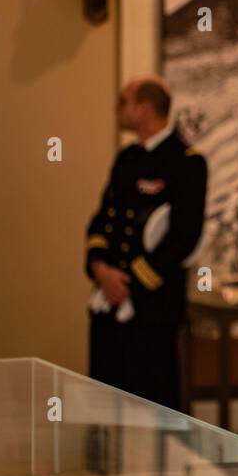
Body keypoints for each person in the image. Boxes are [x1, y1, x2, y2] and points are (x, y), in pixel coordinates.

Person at [86, 77, 207, 407]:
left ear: (144, 108)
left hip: (153, 306)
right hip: (109, 301)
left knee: (152, 408)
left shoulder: (186, 162)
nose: (117, 110)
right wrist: (100, 269)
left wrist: (130, 282)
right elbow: (103, 221)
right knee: (104, 405)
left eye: (123, 103)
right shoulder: (127, 158)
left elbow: (184, 237)